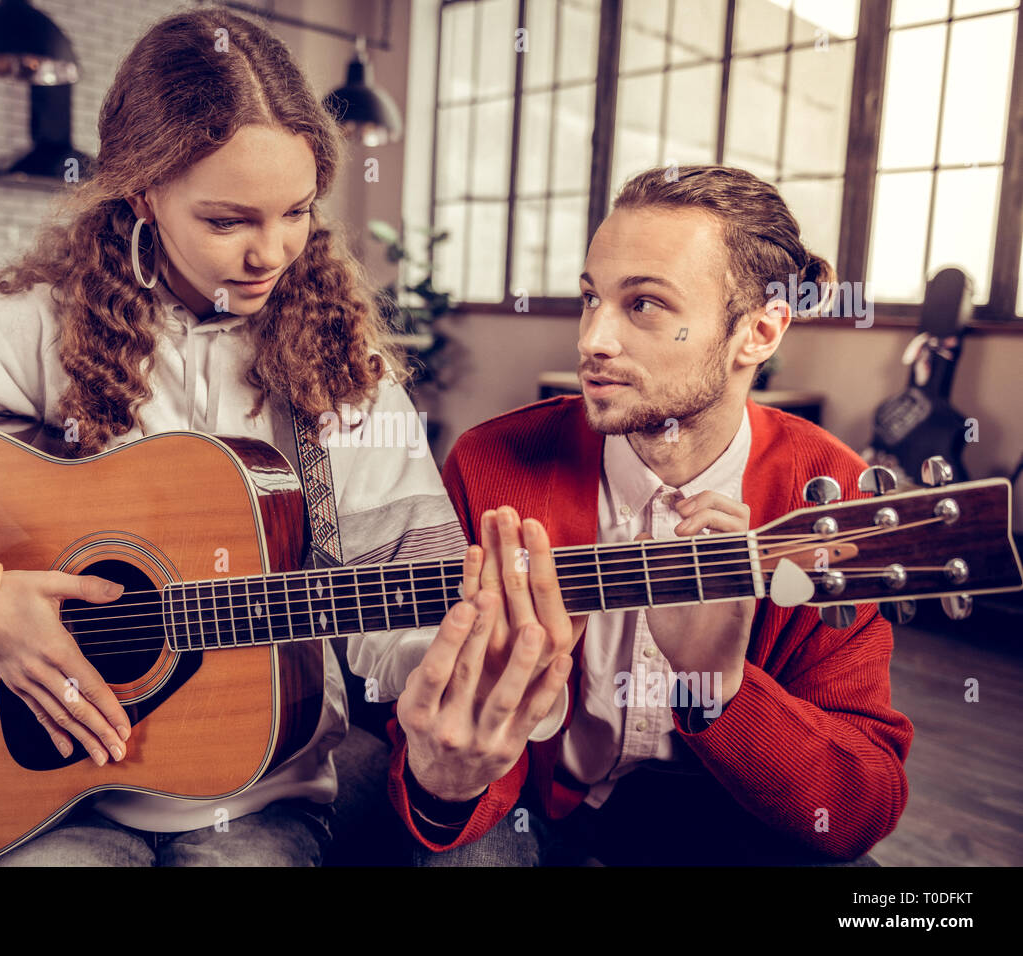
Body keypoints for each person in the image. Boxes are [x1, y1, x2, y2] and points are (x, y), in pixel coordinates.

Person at [0, 8, 467, 866]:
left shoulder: (342, 364)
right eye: (228, 221)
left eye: (296, 211)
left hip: (253, 791)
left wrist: (449, 679)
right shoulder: (43, 324)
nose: (273, 252)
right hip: (34, 785)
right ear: (143, 193)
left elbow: (407, 596)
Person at [350, 164, 915, 866]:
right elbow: (436, 729)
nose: (593, 340)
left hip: (719, 821)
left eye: (644, 305)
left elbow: (859, 804)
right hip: (529, 804)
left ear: (759, 331)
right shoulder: (491, 463)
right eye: (591, 299)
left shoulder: (830, 490)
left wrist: (722, 684)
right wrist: (451, 781)